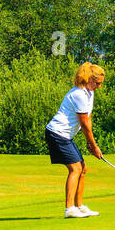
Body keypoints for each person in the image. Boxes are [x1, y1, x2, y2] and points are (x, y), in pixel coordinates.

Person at [45, 62, 105, 218]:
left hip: (65, 135)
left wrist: (90, 145)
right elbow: (84, 124)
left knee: (83, 169)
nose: (99, 86)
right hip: (57, 134)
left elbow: (88, 119)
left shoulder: (89, 93)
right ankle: (69, 209)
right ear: (89, 79)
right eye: (97, 83)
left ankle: (79, 206)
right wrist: (94, 145)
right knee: (75, 169)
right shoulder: (78, 94)